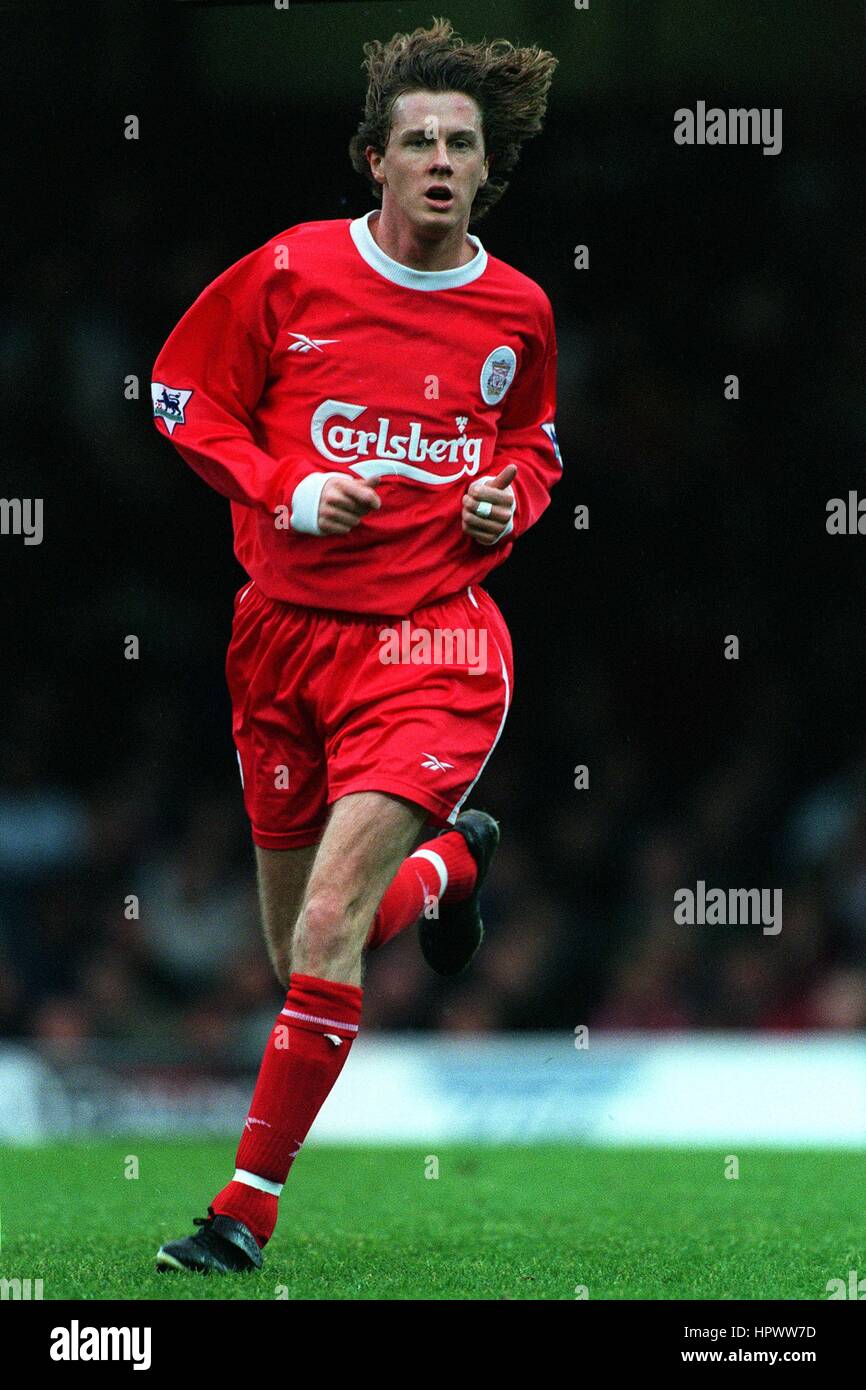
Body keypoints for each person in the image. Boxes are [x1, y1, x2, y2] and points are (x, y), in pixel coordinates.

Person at [150, 17, 561, 1273]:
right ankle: (450, 874)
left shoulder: (516, 309)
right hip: (280, 638)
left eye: (462, 142)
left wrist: (506, 501)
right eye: (418, 139)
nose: (440, 157)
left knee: (326, 923)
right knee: (298, 953)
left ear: (486, 169)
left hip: (430, 645)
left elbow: (533, 451)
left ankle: (241, 1214)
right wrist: (285, 485)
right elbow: (178, 395)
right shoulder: (286, 274)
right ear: (372, 160)